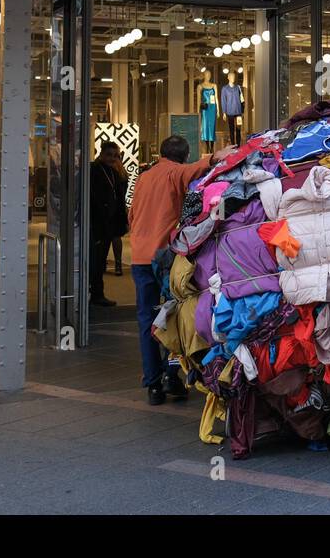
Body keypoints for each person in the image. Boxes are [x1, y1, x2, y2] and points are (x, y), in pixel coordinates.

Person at [127, 135, 233, 405]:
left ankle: (152, 383)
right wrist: (215, 157)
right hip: (162, 258)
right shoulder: (174, 172)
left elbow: (131, 215)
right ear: (183, 156)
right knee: (174, 317)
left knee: (146, 320)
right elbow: (190, 171)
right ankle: (172, 377)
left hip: (139, 256)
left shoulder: (144, 177)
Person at [88, 141, 127, 307]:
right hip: (98, 224)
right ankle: (95, 293)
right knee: (96, 261)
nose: (112, 158)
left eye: (115, 156)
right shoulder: (94, 171)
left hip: (109, 224)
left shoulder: (113, 172)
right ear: (101, 154)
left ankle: (97, 293)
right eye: (109, 155)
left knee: (100, 260)